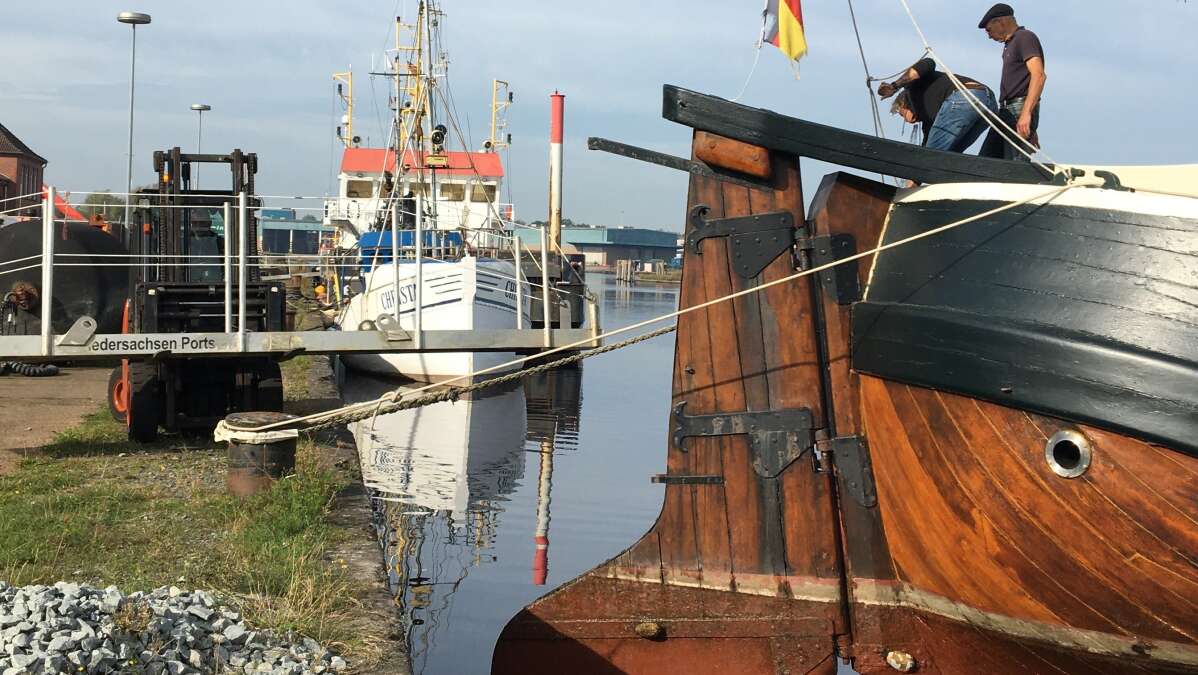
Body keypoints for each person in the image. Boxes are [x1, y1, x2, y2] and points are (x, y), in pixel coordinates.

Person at [877, 58, 998, 153]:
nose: (906, 121)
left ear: (903, 104)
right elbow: (928, 145)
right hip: (988, 103)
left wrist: (894, 86)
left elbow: (927, 63)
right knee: (951, 153)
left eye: (902, 115)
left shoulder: (912, 88)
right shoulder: (929, 121)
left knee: (932, 156)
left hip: (967, 95)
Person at [977, 3, 1046, 160]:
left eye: (989, 29)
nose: (988, 35)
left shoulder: (1025, 37)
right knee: (985, 161)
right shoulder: (1010, 45)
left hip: (1018, 108)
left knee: (1013, 164)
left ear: (1000, 22)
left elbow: (1039, 75)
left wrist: (1027, 114)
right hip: (1006, 111)